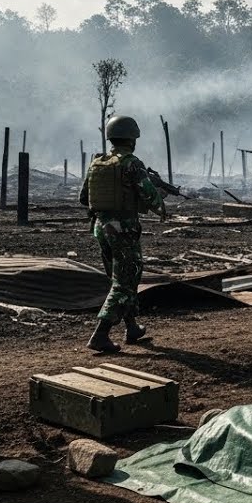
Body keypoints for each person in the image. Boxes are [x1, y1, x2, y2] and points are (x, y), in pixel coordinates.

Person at [79, 115, 166, 353]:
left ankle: (132, 327)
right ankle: (100, 335)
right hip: (123, 229)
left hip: (101, 227)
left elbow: (83, 198)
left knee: (121, 278)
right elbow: (150, 196)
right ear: (132, 139)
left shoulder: (97, 163)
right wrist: (160, 197)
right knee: (125, 280)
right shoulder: (132, 164)